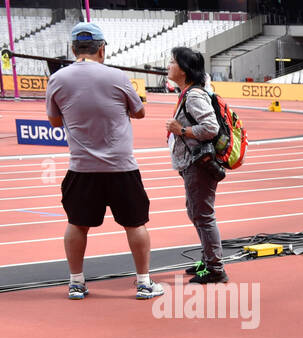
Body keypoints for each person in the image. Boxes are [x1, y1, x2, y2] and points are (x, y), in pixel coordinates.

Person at [45, 22, 165, 300]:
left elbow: (53, 121)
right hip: (121, 166)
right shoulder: (117, 76)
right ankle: (144, 283)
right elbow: (140, 112)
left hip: (82, 167)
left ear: (73, 49)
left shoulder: (58, 79)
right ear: (101, 48)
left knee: (77, 223)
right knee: (135, 223)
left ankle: (76, 283)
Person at [165, 47, 226, 284]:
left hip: (199, 163)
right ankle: (208, 259)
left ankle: (215, 269)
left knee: (203, 214)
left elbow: (211, 128)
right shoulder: (188, 93)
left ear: (184, 69)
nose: (169, 65)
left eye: (173, 62)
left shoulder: (194, 96)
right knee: (196, 212)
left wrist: (181, 130)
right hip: (191, 162)